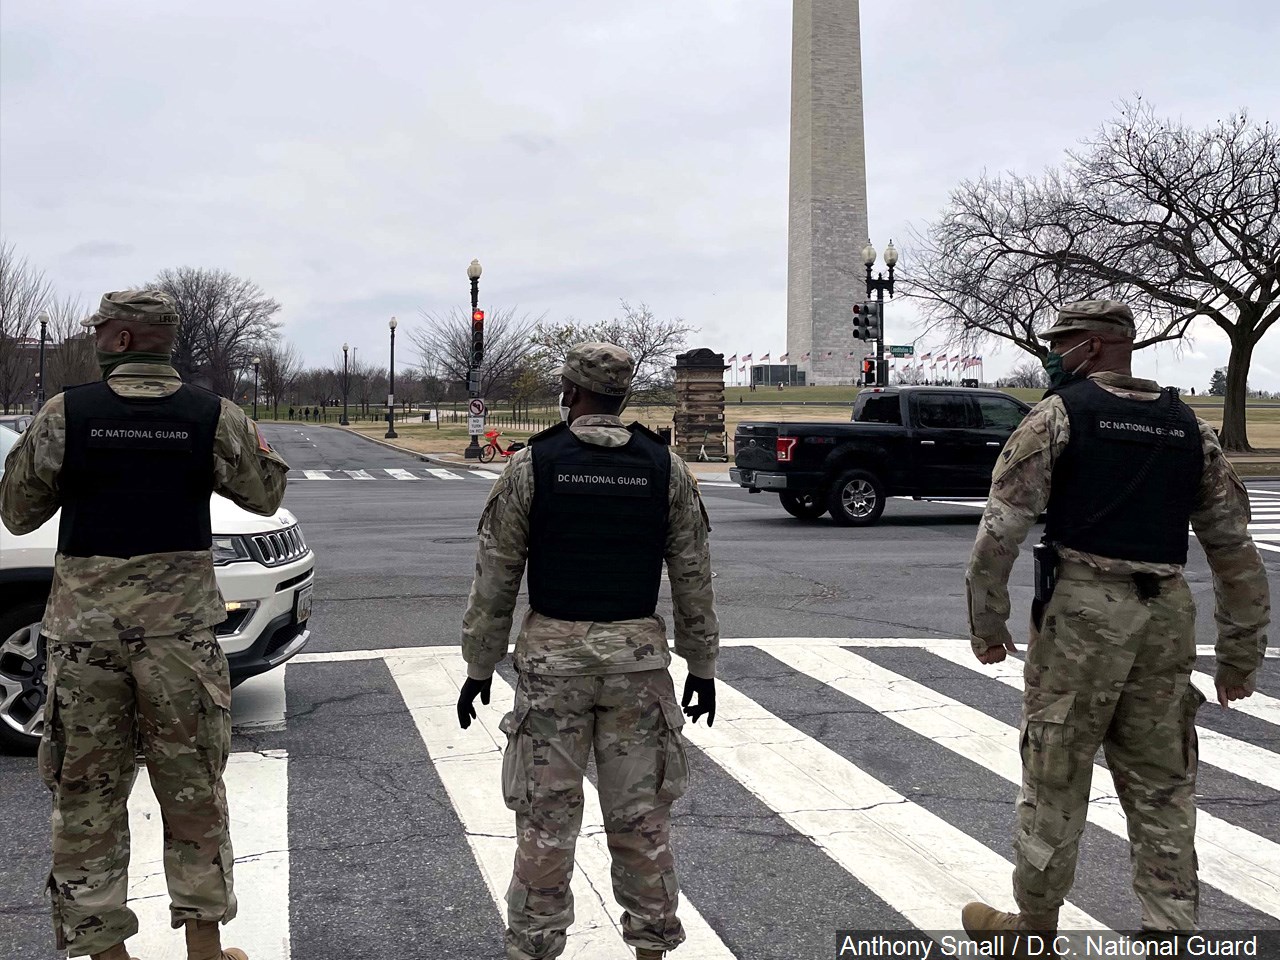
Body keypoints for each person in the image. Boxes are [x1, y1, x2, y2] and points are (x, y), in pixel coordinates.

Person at [962, 300, 1269, 943]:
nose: (1053, 353)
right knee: (1164, 788)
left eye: (1063, 342)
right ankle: (1169, 934)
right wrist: (1240, 654)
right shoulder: (1188, 427)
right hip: (1166, 615)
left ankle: (1034, 931)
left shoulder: (1058, 416)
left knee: (1055, 776)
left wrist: (988, 624)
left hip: (1082, 619)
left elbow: (999, 535)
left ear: (1095, 347)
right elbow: (1235, 549)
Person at [0, 290, 290, 960]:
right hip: (179, 636)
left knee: (86, 790)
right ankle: (204, 948)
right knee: (192, 786)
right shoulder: (211, 414)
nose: (96, 337)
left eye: (102, 329)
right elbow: (265, 492)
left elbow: (17, 513)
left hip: (87, 637)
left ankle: (105, 951)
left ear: (123, 340)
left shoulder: (66, 413)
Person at [457, 342, 719, 960]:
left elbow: (495, 576)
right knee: (642, 823)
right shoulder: (666, 469)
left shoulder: (533, 465)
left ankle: (535, 947)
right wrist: (702, 665)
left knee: (546, 823)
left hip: (553, 669)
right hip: (637, 665)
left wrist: (478, 665)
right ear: (623, 398)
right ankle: (651, 948)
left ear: (569, 393)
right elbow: (693, 576)